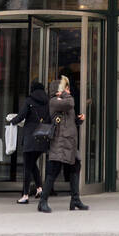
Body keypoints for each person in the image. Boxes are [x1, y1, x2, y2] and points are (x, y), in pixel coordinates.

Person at [38, 76, 89, 213]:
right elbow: (70, 103)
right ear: (59, 90)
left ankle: (75, 200)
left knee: (75, 168)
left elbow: (69, 121)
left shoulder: (65, 101)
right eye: (66, 87)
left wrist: (79, 120)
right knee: (53, 171)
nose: (69, 90)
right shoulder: (55, 101)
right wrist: (65, 94)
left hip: (70, 142)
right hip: (60, 143)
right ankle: (42, 201)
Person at [6, 81, 50, 204]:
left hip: (30, 138)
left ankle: (25, 195)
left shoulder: (29, 101)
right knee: (32, 164)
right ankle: (40, 189)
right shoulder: (48, 102)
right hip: (42, 138)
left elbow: (21, 116)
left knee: (27, 166)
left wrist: (11, 121)